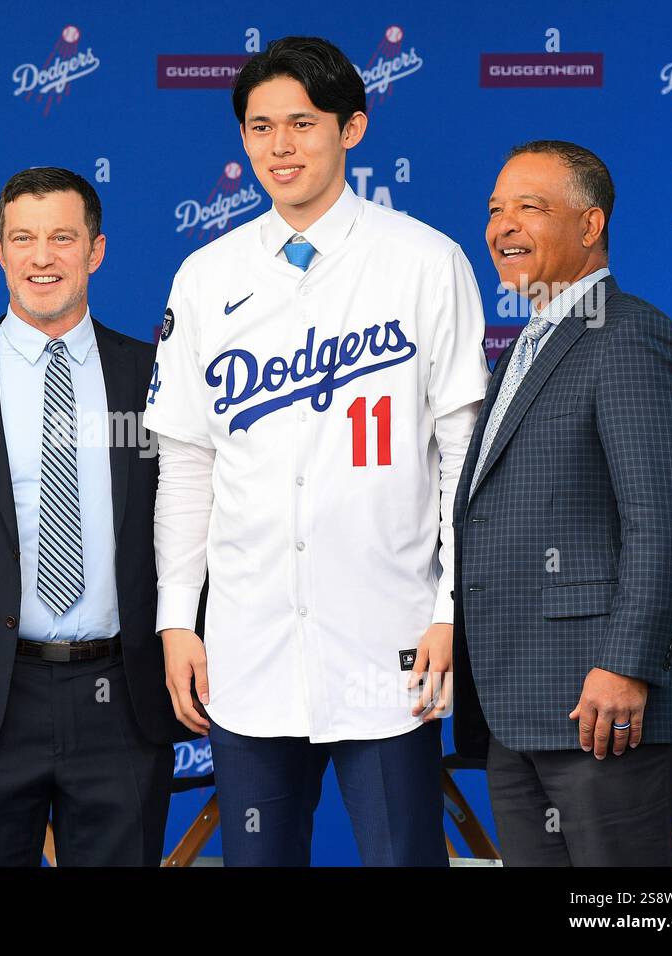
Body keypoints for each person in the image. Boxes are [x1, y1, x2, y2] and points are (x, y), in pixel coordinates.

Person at [145, 36, 489, 866]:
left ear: (353, 129)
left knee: (405, 858)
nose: (281, 146)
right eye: (260, 127)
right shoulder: (204, 275)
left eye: (302, 123)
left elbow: (465, 464)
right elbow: (188, 464)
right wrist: (175, 619)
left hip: (392, 641)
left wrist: (450, 611)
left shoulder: (425, 262)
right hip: (247, 640)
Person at [0, 167, 190, 866]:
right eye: (24, 238)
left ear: (97, 250)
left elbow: (189, 523)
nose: (42, 257)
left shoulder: (155, 378)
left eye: (62, 237)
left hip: (124, 697)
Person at [452, 141, 672, 866]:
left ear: (590, 226)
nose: (504, 227)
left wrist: (626, 665)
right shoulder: (522, 349)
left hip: (603, 708)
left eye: (529, 207)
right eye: (496, 210)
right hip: (517, 707)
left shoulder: (630, 335)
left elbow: (662, 521)